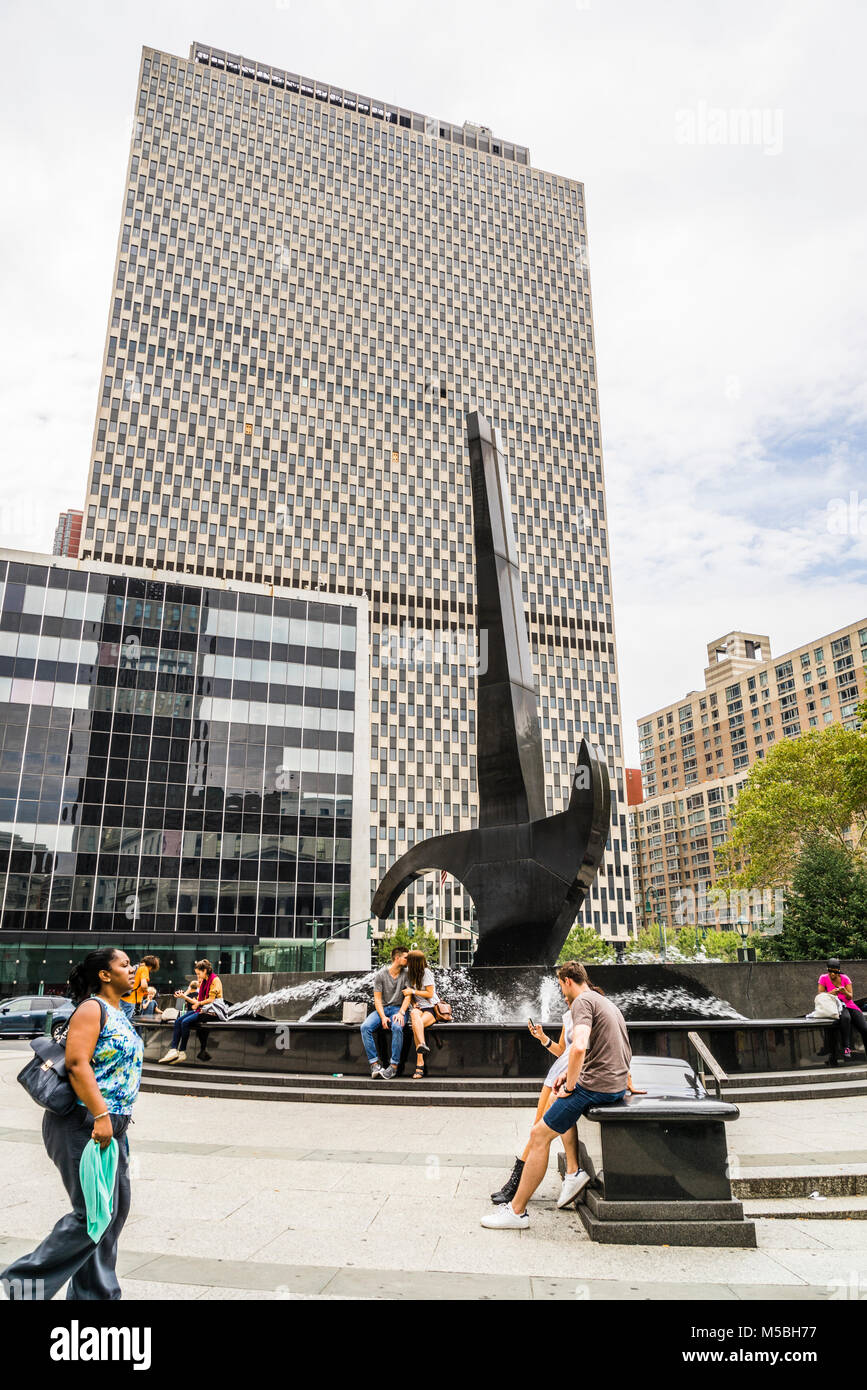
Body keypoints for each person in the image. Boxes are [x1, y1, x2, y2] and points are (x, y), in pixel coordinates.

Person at [0, 947, 143, 1300]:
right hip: (84, 1122)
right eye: (124, 964)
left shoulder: (120, 1011)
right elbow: (78, 1063)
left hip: (112, 1126)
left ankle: (93, 1295)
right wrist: (100, 1115)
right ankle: (20, 1285)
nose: (133, 968)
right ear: (105, 975)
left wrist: (112, 1121)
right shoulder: (92, 1009)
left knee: (111, 1214)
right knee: (92, 1215)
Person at [481, 960, 635, 1229]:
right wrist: (571, 1075)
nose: (562, 995)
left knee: (538, 1135)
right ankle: (573, 1171)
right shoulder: (605, 1002)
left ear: (567, 981)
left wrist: (572, 1085)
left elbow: (578, 1047)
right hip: (613, 1085)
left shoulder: (582, 1002)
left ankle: (516, 1212)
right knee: (554, 1104)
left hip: (595, 1087)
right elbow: (617, 1047)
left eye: (561, 987)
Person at [157, 959, 223, 1065]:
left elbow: (211, 1000)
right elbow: (199, 1001)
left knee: (185, 1022)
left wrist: (198, 1004)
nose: (198, 976)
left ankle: (182, 1051)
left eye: (198, 973)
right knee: (178, 1021)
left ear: (205, 970)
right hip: (202, 1009)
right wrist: (185, 997)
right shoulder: (204, 981)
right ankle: (173, 1049)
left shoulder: (215, 980)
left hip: (212, 1011)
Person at [360, 946, 410, 1079]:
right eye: (406, 958)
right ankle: (374, 1064)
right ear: (397, 958)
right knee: (365, 1027)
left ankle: (393, 1067)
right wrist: (382, 1017)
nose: (408, 960)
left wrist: (401, 1013)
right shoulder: (381, 975)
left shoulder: (407, 974)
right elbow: (377, 999)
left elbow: (408, 997)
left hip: (398, 1009)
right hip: (383, 1009)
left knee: (397, 1027)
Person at [402, 948, 439, 1080]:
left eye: (408, 960)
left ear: (414, 962)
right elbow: (408, 992)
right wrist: (413, 1003)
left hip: (431, 1008)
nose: (406, 962)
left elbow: (429, 993)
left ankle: (420, 1062)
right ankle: (422, 1046)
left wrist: (413, 992)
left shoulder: (426, 972)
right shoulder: (409, 974)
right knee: (414, 1015)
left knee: (417, 1025)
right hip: (418, 1008)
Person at [819, 959, 867, 1058]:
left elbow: (850, 996)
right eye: (830, 971)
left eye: (835, 971)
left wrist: (844, 991)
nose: (832, 974)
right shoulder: (823, 978)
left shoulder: (845, 978)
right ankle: (846, 1047)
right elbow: (820, 995)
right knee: (846, 1018)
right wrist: (833, 992)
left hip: (849, 1004)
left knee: (864, 1027)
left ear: (839, 970)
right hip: (836, 1005)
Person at [119, 954, 160, 1021]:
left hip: (124, 996)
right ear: (152, 965)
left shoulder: (136, 967)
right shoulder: (144, 969)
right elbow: (143, 985)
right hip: (130, 999)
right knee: (126, 1022)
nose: (150, 970)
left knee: (121, 1020)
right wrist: (147, 991)